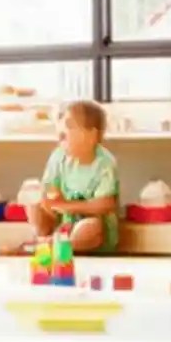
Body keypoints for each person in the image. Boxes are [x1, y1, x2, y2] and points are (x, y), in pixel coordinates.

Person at [25, 100, 119, 253]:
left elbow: (104, 205)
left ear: (91, 135)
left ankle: (60, 246)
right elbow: (51, 192)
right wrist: (47, 197)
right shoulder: (58, 157)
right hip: (64, 225)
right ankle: (45, 240)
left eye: (69, 125)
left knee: (90, 227)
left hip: (95, 232)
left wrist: (65, 206)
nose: (61, 131)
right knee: (34, 205)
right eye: (61, 124)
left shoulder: (104, 163)